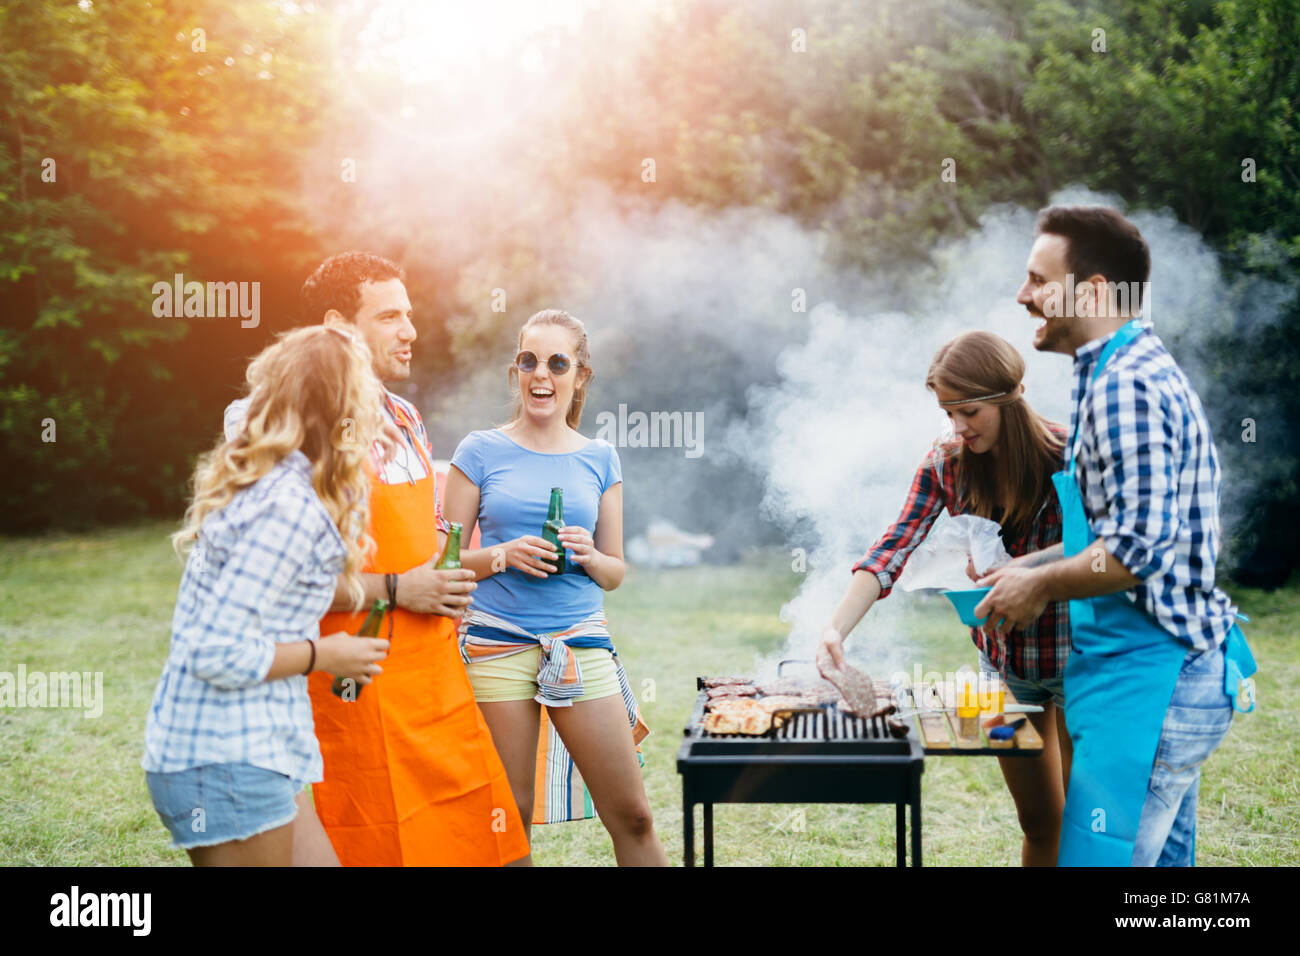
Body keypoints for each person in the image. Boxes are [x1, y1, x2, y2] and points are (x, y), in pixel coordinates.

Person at [224, 252, 529, 866]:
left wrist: (491, 560)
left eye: (408, 315)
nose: (410, 331)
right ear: (339, 327)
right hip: (351, 695)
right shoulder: (273, 421)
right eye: (390, 316)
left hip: (438, 689)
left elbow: (426, 552)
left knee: (497, 851)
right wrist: (396, 588)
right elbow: (271, 578)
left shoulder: (406, 418)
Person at [978, 205, 1257, 866]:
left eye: (1039, 280)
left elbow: (1138, 553)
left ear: (1094, 290)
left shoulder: (1125, 386)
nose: (1023, 295)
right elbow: (1109, 530)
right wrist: (1024, 568)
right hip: (1148, 679)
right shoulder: (1110, 370)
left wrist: (1039, 583)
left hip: (1153, 684)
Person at [818, 330, 1072, 866]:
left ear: (1012, 395)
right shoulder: (946, 461)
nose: (957, 425)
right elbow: (895, 544)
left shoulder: (1068, 454)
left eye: (970, 410)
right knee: (1040, 820)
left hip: (1078, 657)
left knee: (1085, 821)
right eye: (947, 411)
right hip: (1003, 663)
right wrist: (835, 629)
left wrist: (1030, 570)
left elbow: (1104, 547)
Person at [143, 326, 392, 865]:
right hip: (226, 756)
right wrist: (325, 655)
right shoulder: (287, 507)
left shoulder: (274, 482)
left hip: (244, 751)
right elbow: (215, 651)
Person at [443, 309, 668, 866]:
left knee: (634, 816)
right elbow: (441, 563)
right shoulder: (479, 451)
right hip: (497, 643)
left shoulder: (600, 458)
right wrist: (502, 555)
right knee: (508, 815)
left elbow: (615, 572)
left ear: (580, 376)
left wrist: (592, 556)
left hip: (580, 643)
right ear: (515, 370)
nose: (540, 374)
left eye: (557, 362)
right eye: (529, 361)